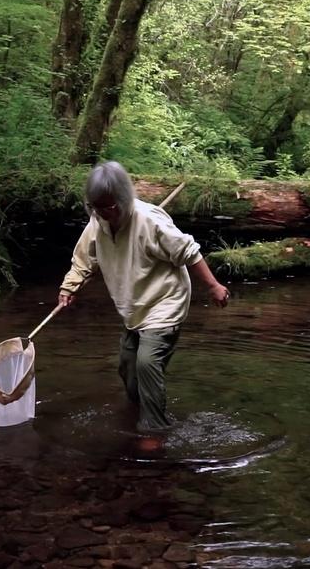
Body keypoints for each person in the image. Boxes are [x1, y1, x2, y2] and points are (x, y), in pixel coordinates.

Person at [58, 162, 230, 433]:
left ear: (123, 199)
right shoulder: (98, 220)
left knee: (147, 363)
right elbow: (84, 260)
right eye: (98, 207)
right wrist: (70, 288)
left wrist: (213, 286)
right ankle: (140, 410)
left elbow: (189, 252)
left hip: (164, 302)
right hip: (133, 306)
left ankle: (154, 428)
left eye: (111, 207)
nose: (106, 213)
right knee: (128, 367)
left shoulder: (150, 220)